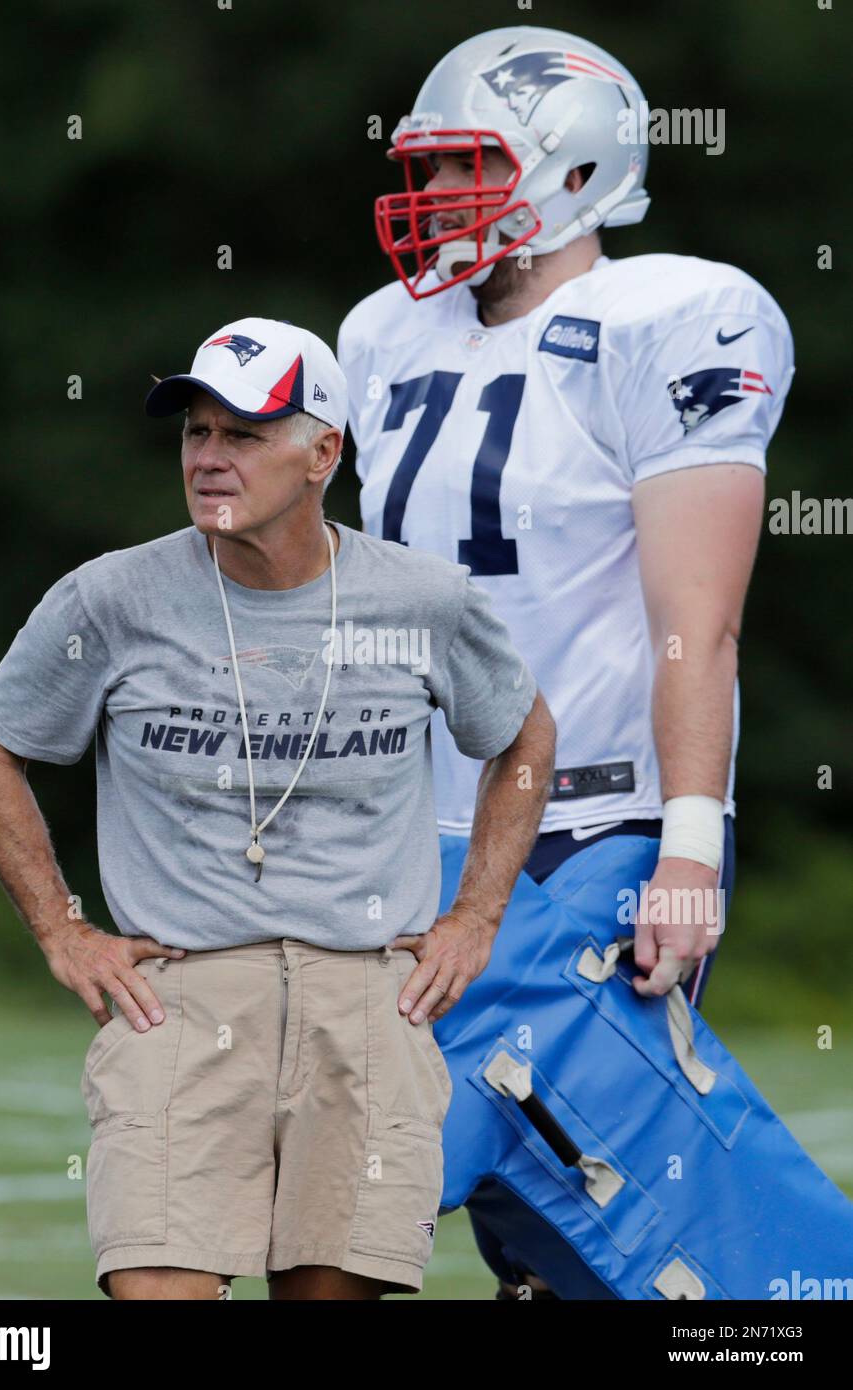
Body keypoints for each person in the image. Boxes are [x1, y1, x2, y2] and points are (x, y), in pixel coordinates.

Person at [0, 316, 555, 1301]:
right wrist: (65, 931)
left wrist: (477, 914)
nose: (210, 459)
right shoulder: (109, 599)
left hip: (370, 1001)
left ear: (324, 452)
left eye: (244, 434)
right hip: (179, 998)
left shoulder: (424, 600)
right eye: (197, 432)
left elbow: (524, 736)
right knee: (156, 1286)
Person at [337, 25, 794, 1297]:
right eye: (425, 170)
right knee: (537, 1227)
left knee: (437, 1163)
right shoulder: (386, 333)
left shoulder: (675, 316)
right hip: (427, 832)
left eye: (464, 165)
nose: (431, 198)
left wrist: (690, 848)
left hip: (600, 825)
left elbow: (697, 623)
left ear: (576, 170)